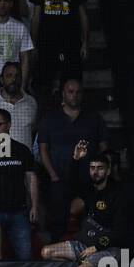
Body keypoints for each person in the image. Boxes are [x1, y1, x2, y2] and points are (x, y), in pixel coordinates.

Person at [37, 78, 108, 238]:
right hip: (59, 179)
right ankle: (57, 260)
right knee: (57, 225)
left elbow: (104, 148)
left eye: (78, 92)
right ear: (63, 94)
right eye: (70, 92)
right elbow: (43, 150)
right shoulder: (50, 118)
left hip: (87, 180)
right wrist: (53, 176)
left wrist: (97, 175)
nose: (74, 96)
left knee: (91, 223)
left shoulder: (93, 118)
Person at [0, 109, 40, 261]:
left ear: (9, 125)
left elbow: (31, 179)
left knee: (25, 257)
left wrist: (35, 206)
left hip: (18, 212)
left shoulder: (21, 150)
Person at [30, 0, 89, 98]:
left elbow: (83, 16)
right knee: (43, 83)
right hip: (46, 43)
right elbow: (36, 18)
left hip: (70, 43)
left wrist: (85, 43)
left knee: (72, 81)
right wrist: (33, 44)